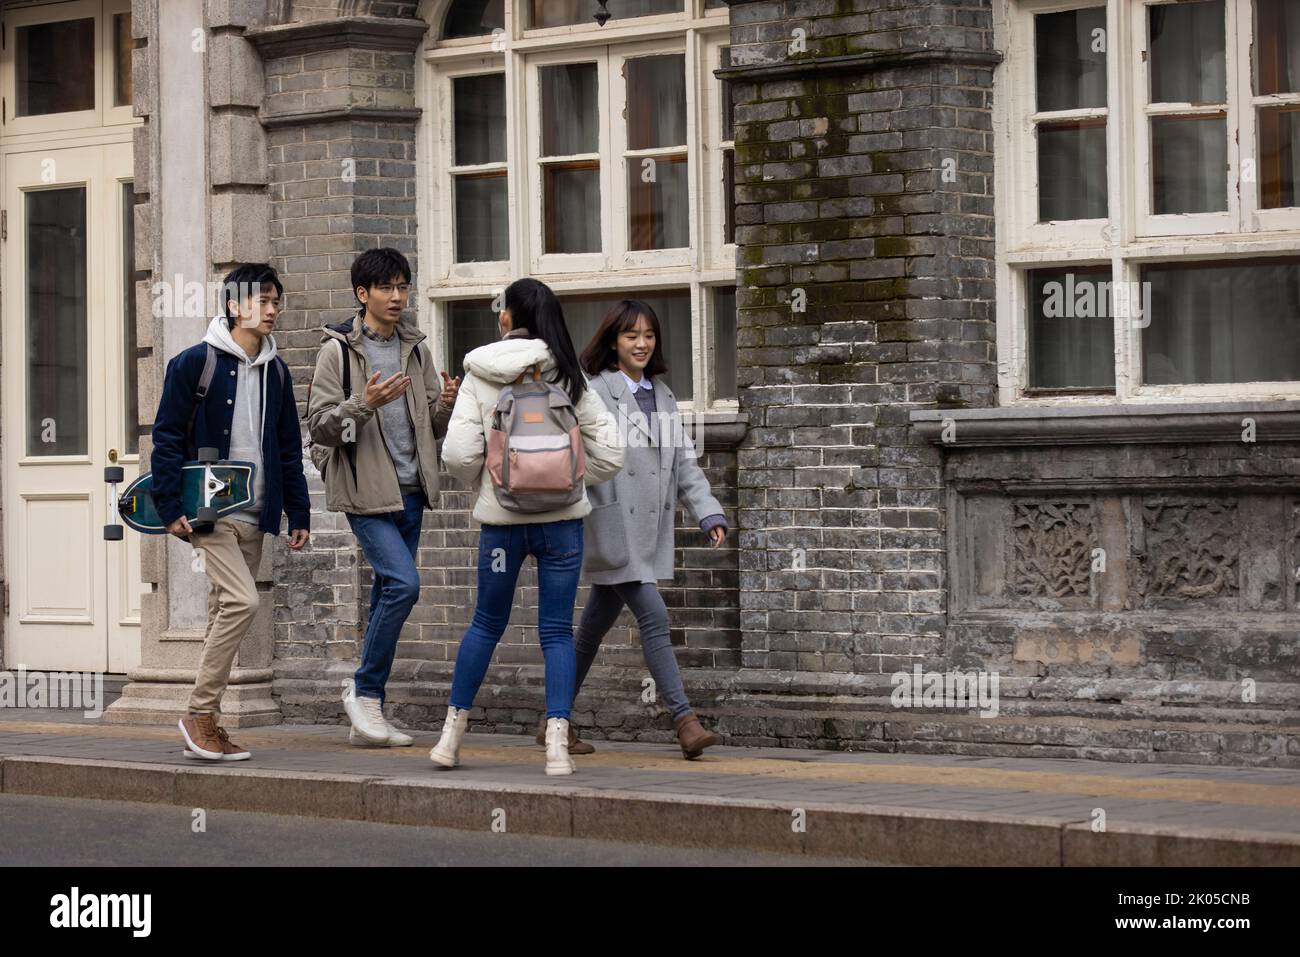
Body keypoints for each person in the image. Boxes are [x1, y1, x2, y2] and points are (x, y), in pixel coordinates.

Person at [434, 277, 624, 776]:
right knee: (558, 632)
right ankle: (557, 744)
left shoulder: (479, 373)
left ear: (505, 318)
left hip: (502, 525)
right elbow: (613, 452)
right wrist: (570, 482)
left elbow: (456, 454)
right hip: (562, 526)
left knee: (486, 624)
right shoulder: (568, 374)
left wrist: (495, 480)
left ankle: (451, 737)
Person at [154, 263, 311, 762]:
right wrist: (169, 507)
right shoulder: (193, 363)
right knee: (243, 602)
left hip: (256, 511)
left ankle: (209, 723)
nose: (271, 310)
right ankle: (198, 714)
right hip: (210, 510)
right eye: (262, 301)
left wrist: (298, 512)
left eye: (275, 302)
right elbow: (166, 437)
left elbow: (289, 447)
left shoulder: (277, 371)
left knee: (225, 608)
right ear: (233, 305)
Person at [306, 247, 460, 747]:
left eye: (403, 287)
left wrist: (448, 406)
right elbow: (322, 429)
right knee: (405, 585)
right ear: (362, 294)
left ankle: (367, 711)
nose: (397, 297)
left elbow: (430, 427)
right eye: (387, 288)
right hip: (365, 492)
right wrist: (363, 404)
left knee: (385, 593)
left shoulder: (417, 348)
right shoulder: (338, 351)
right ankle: (363, 692)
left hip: (413, 490)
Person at [571, 299, 727, 759]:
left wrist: (708, 513)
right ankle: (685, 721)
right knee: (654, 617)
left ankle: (552, 719)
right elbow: (581, 459)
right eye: (630, 335)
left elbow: (683, 463)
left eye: (649, 335)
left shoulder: (662, 395)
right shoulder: (594, 390)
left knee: (590, 631)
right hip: (613, 524)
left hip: (649, 528)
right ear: (612, 341)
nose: (641, 343)